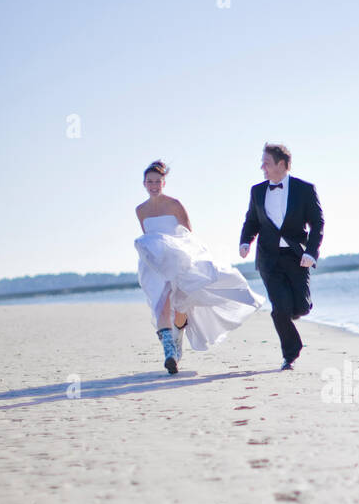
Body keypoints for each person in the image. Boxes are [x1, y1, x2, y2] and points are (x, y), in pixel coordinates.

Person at [135, 160, 263, 373]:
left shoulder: (175, 204)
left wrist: (197, 262)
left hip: (181, 262)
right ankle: (170, 354)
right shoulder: (140, 210)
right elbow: (149, 238)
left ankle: (177, 337)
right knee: (162, 304)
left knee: (181, 306)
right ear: (144, 184)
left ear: (164, 183)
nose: (154, 185)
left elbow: (188, 235)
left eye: (158, 181)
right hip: (156, 267)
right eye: (150, 182)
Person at [239, 143, 324, 369]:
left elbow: (317, 223)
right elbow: (252, 220)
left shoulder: (304, 189)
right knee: (279, 308)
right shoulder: (257, 191)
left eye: (266, 163)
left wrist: (311, 253)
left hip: (297, 256)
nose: (262, 168)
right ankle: (290, 353)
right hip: (269, 258)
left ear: (282, 164)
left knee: (301, 307)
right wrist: (246, 240)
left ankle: (296, 311)